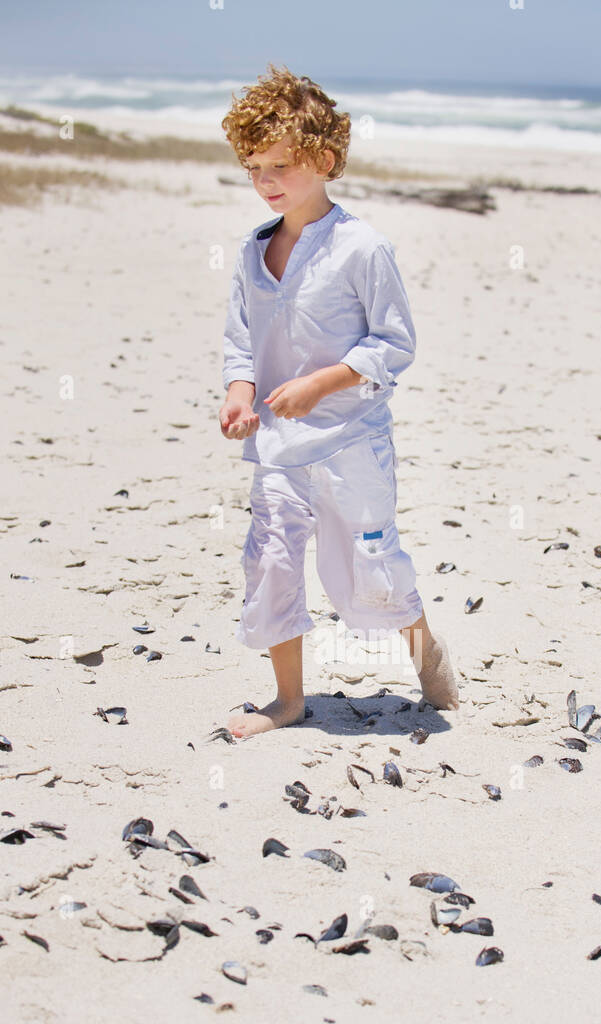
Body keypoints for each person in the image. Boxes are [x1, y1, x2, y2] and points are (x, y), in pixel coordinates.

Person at [219, 63, 458, 738]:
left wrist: (324, 381)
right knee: (269, 563)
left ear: (324, 160)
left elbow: (393, 342)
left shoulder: (363, 248)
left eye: (280, 167)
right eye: (254, 168)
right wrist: (242, 391)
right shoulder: (252, 250)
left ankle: (425, 648)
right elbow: (242, 338)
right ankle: (290, 700)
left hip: (352, 443)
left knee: (369, 572)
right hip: (278, 448)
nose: (266, 183)